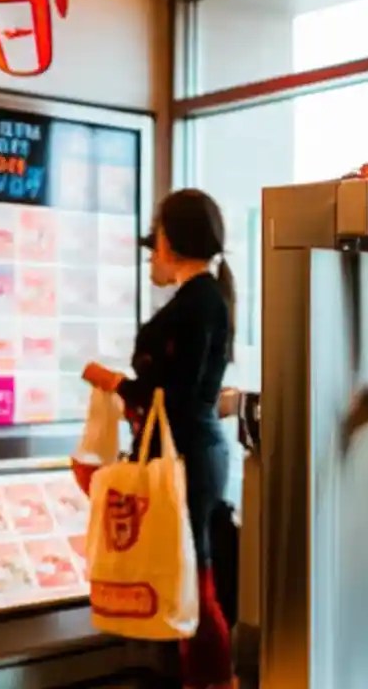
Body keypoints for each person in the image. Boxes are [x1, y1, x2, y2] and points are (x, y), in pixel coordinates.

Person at [83, 188, 237, 689]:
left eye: (157, 241)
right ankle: (205, 677)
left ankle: (212, 679)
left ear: (171, 241)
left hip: (186, 453)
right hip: (196, 449)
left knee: (192, 577)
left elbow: (175, 393)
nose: (152, 254)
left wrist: (114, 383)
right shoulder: (207, 300)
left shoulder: (197, 304)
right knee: (189, 571)